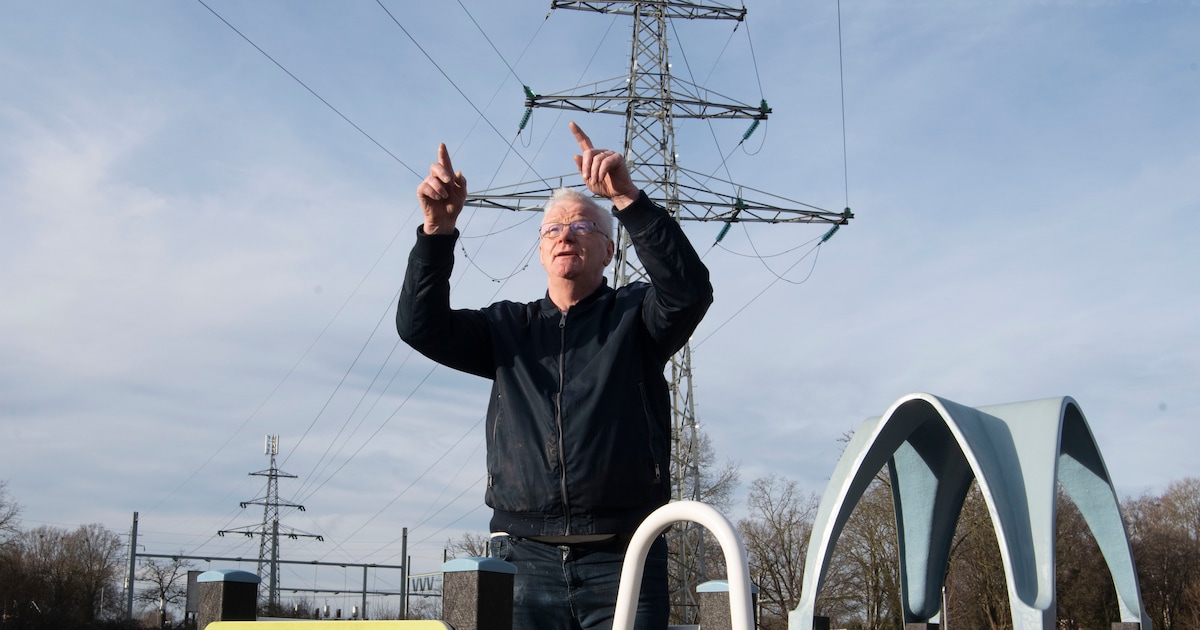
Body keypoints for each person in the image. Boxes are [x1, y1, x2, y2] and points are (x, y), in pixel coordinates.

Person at [397, 122, 713, 629]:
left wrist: (627, 198)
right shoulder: (506, 329)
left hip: (625, 555)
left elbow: (689, 291)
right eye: (553, 229)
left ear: (610, 250)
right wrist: (437, 236)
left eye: (583, 226)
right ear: (542, 250)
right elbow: (420, 327)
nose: (565, 234)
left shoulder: (635, 319)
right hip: (524, 560)